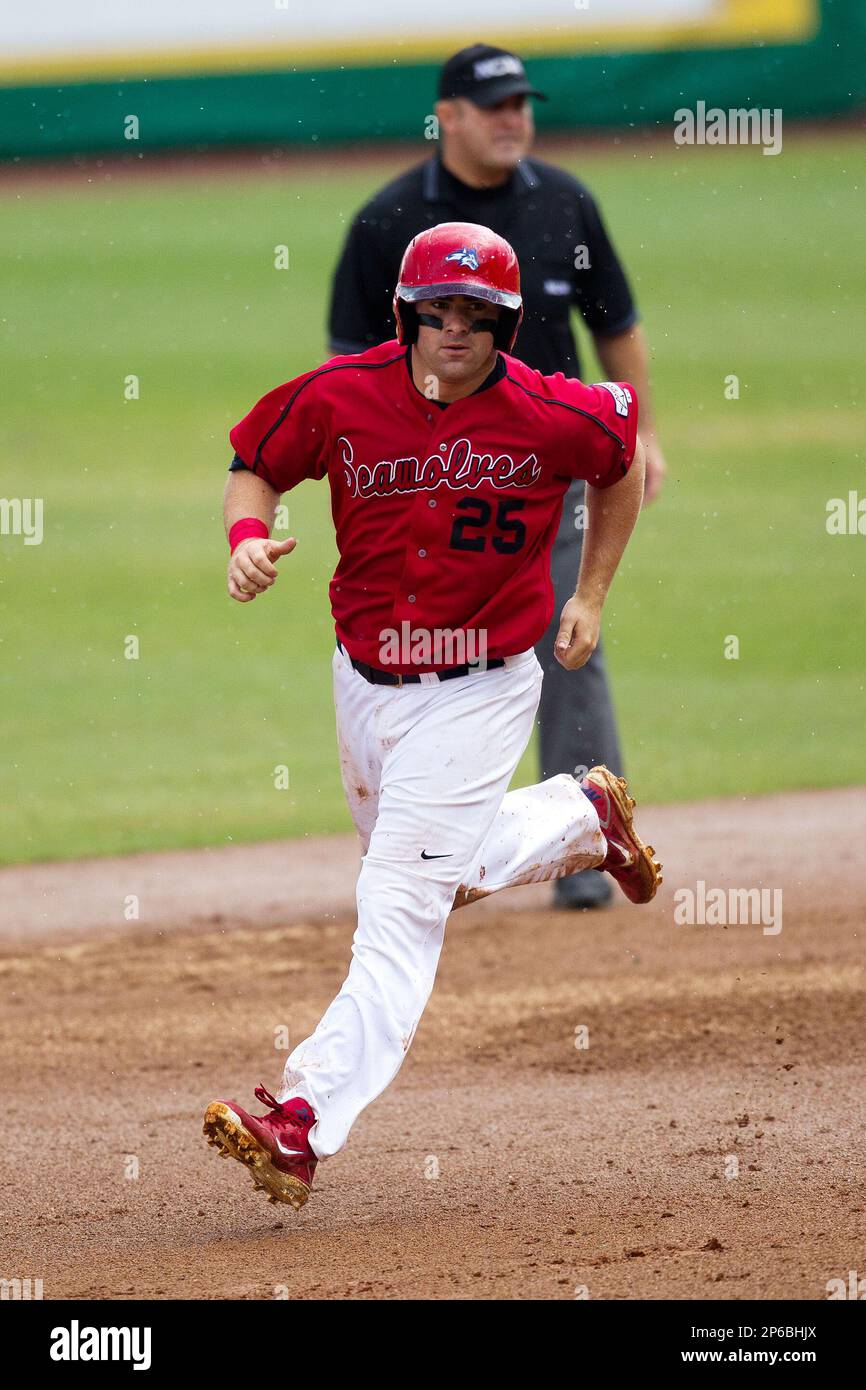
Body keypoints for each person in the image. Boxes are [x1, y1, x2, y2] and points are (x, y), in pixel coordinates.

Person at [204, 222, 662, 1210]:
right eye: (437, 311)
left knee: (398, 904)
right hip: (362, 684)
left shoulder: (543, 409)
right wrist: (246, 535)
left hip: (483, 687)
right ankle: (580, 818)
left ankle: (301, 1118)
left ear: (503, 323)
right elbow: (256, 460)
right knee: (430, 872)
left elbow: (619, 451)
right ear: (406, 312)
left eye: (478, 315)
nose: (455, 330)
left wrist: (590, 592)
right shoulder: (339, 396)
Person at [329, 43, 667, 910]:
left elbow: (615, 324)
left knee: (567, 646)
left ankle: (588, 849)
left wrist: (645, 436)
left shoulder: (563, 201)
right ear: (447, 115)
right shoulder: (389, 217)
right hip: (422, 489)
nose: (514, 117)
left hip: (541, 475)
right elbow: (349, 368)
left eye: (522, 101)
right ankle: (444, 849)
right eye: (494, 104)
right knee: (403, 663)